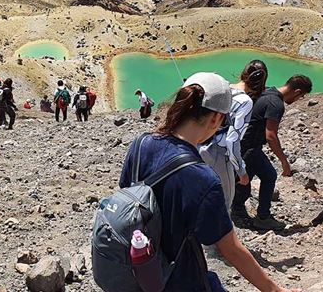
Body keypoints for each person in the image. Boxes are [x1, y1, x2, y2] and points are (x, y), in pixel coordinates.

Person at [118, 73, 298, 292]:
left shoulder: (140, 144)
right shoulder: (203, 178)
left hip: (136, 269)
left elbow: (128, 192)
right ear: (216, 119)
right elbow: (231, 250)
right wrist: (275, 290)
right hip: (179, 280)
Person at [233, 75, 313, 231]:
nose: (299, 99)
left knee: (244, 179)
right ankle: (261, 217)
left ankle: (237, 211)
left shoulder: (268, 92)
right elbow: (271, 135)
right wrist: (284, 161)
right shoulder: (276, 104)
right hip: (250, 147)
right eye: (301, 96)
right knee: (267, 176)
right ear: (296, 91)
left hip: (243, 144)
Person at [200, 61, 261, 211]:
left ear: (242, 74)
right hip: (219, 154)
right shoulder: (245, 102)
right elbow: (232, 140)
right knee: (224, 202)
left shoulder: (222, 88)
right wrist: (241, 171)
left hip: (198, 145)